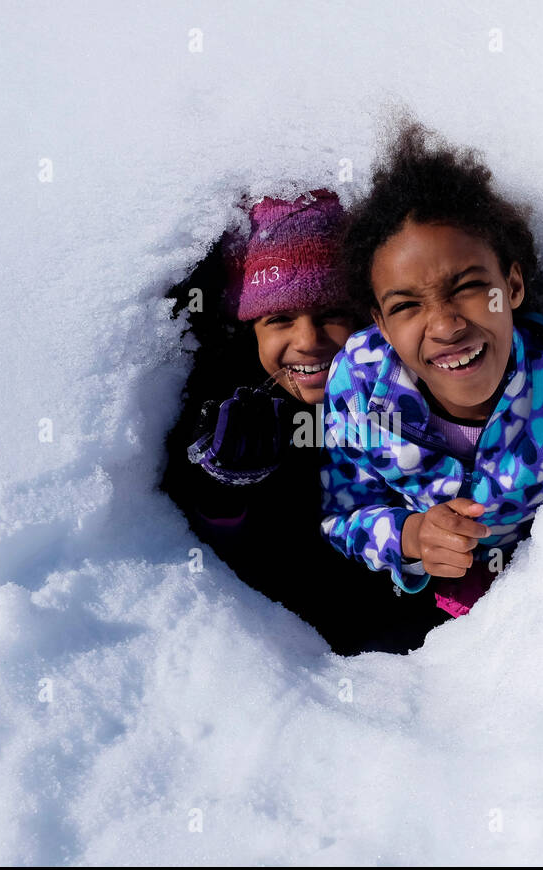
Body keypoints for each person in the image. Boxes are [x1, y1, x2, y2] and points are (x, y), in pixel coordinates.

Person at [320, 123, 543, 616]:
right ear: (380, 325)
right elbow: (343, 512)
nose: (446, 325)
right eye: (407, 306)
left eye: (468, 287)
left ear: (511, 286)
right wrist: (413, 536)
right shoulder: (358, 388)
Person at [161, 189, 450, 654]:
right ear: (251, 328)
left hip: (413, 630)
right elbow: (214, 555)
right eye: (279, 318)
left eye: (333, 314)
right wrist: (223, 494)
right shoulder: (235, 407)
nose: (308, 340)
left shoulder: (413, 387)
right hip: (282, 642)